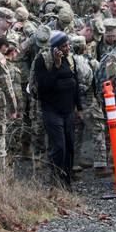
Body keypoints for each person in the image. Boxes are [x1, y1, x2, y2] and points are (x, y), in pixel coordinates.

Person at [32, 31, 82, 188]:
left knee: (69, 147)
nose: (67, 48)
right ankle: (55, 180)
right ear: (55, 49)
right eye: (63, 46)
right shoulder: (43, 60)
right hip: (51, 111)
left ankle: (66, 183)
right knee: (58, 147)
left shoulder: (70, 59)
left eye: (68, 45)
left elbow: (76, 84)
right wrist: (57, 66)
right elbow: (44, 87)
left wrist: (79, 108)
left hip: (68, 111)